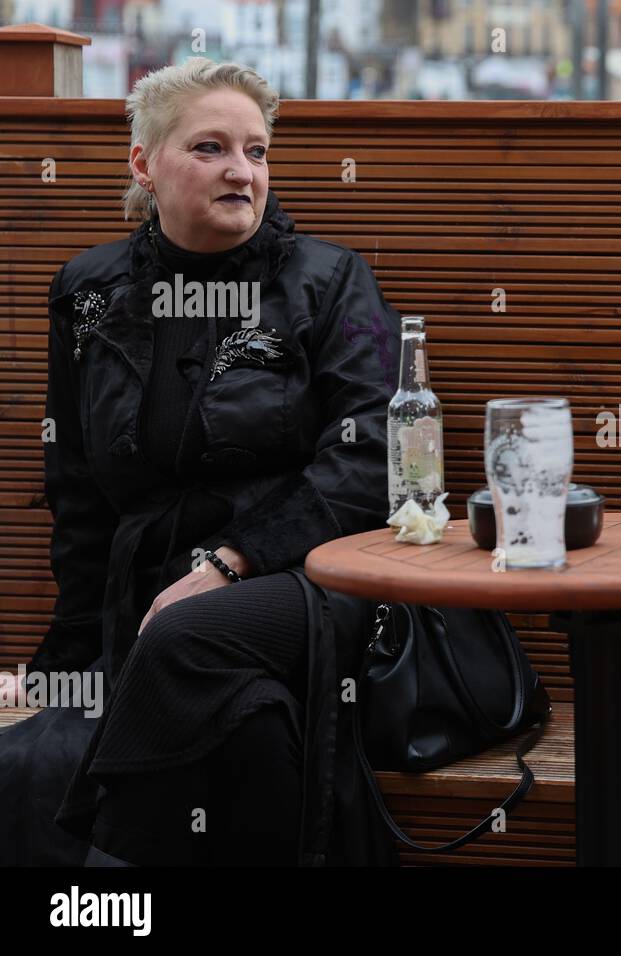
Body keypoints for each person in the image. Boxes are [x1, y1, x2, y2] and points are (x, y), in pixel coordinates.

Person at [0, 57, 402, 866]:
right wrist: (59, 670)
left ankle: (106, 896)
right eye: (212, 148)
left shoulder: (328, 281)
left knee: (190, 637)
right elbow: (80, 495)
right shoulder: (87, 292)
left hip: (308, 584)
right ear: (144, 164)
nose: (241, 171)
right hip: (149, 606)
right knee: (243, 723)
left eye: (257, 152)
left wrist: (230, 561)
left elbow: (375, 460)